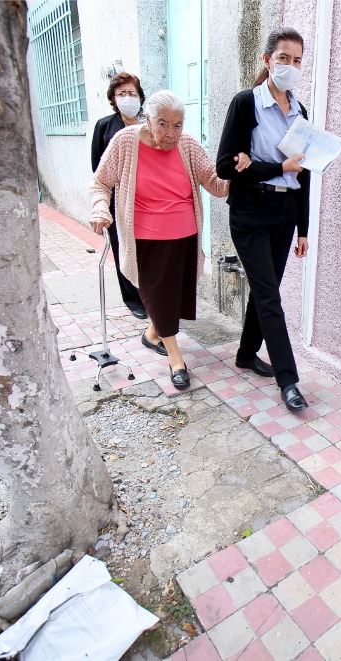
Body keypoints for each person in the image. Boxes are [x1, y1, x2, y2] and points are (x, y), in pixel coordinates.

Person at [90, 91, 250, 389]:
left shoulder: (187, 144)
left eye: (177, 125)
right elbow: (100, 182)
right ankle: (176, 358)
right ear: (147, 119)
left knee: (172, 297)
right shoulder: (125, 142)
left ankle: (152, 335)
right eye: (163, 124)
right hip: (146, 238)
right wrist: (100, 209)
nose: (171, 133)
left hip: (186, 236)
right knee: (158, 296)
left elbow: (215, 183)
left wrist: (236, 172)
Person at [216, 27, 311, 412]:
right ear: (267, 59)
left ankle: (244, 353)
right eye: (283, 57)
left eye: (297, 59)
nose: (290, 66)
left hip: (285, 213)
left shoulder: (301, 113)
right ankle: (289, 380)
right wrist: (276, 166)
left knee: (264, 288)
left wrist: (303, 228)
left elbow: (303, 176)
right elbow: (225, 166)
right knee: (271, 296)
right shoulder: (246, 104)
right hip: (250, 212)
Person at [91, 73, 150, 325]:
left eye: (132, 93)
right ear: (114, 99)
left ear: (140, 97)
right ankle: (133, 300)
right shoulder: (105, 126)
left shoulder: (148, 125)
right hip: (118, 200)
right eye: (122, 93)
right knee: (123, 248)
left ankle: (149, 295)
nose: (127, 98)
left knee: (146, 250)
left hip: (146, 198)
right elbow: (98, 168)